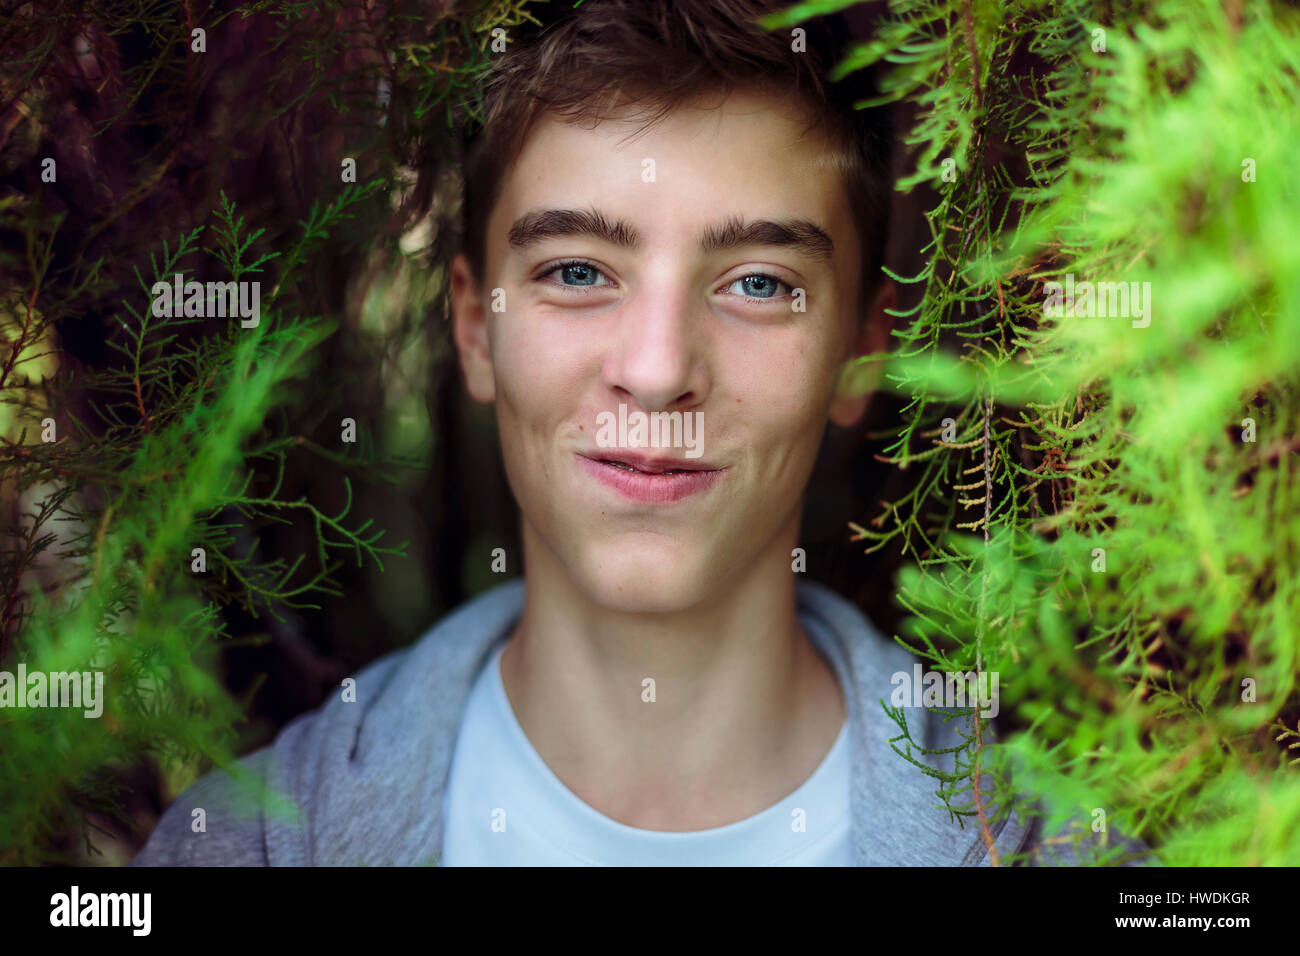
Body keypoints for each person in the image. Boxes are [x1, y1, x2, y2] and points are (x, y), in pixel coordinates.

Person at [135, 0, 1147, 866]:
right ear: (475, 327)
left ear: (860, 353)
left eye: (758, 282)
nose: (658, 368)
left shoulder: (1060, 856)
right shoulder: (244, 844)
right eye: (576, 271)